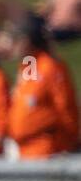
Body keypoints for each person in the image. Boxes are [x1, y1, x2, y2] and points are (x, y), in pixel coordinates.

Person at [6, 14, 79, 158]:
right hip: (25, 149)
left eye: (17, 39)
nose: (13, 45)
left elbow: (65, 108)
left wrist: (67, 142)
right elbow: (25, 100)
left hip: (45, 147)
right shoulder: (29, 64)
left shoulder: (50, 66)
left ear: (28, 40)